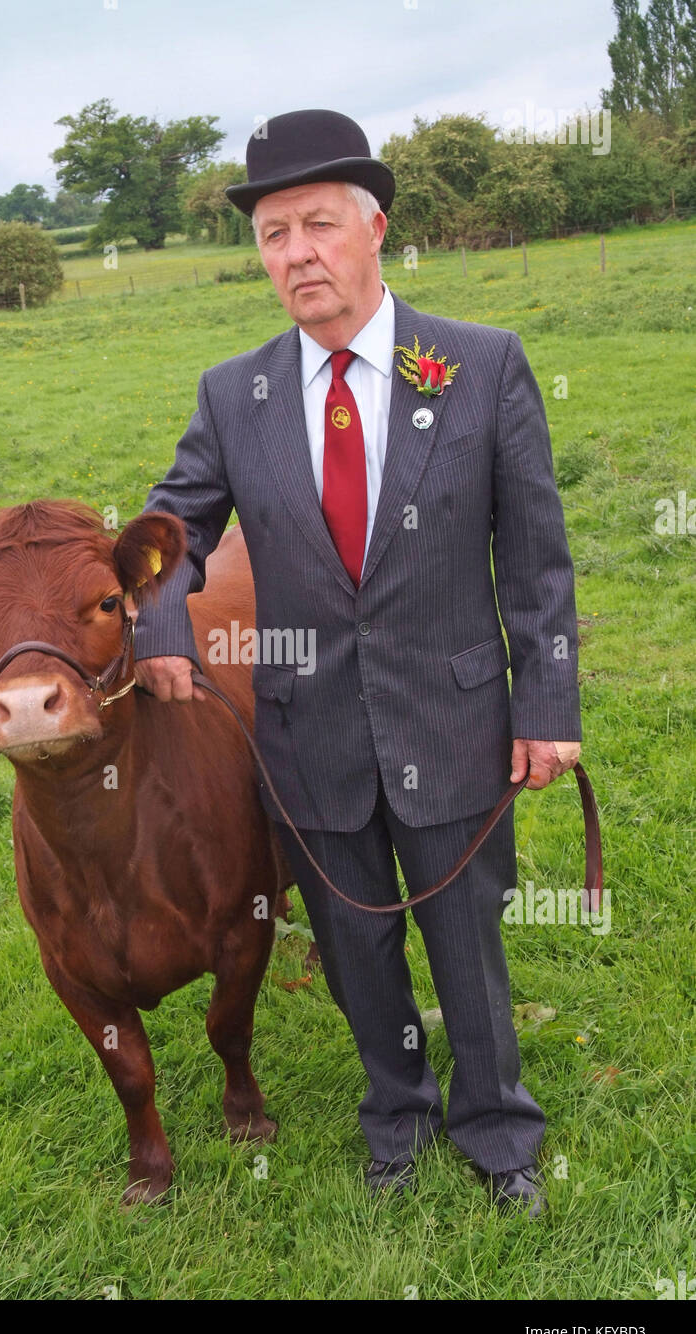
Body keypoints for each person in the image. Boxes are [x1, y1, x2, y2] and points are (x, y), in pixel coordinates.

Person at [132, 109, 582, 1218]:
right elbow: (169, 529)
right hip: (306, 729)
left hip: (455, 718)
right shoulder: (232, 395)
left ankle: (495, 1127)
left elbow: (534, 559)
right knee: (353, 944)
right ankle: (395, 1113)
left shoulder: (478, 366)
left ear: (375, 228)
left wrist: (548, 703)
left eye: (318, 225)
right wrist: (157, 628)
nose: (296, 253)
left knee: (466, 939)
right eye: (273, 233)